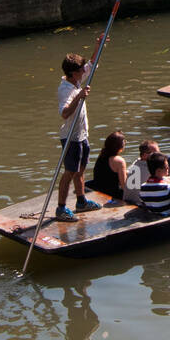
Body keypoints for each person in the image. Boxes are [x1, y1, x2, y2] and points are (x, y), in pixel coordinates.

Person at [56, 52, 102, 221]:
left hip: (82, 134)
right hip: (70, 137)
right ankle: (61, 208)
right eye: (81, 70)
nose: (84, 71)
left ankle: (81, 202)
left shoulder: (76, 81)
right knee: (70, 171)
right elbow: (65, 113)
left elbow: (91, 64)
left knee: (80, 170)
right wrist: (79, 96)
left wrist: (99, 45)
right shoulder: (65, 90)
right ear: (74, 73)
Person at [90, 130, 128, 197]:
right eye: (124, 141)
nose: (125, 142)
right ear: (120, 146)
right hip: (112, 194)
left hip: (98, 190)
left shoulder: (101, 156)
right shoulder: (119, 161)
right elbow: (124, 186)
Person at [124, 140, 160, 205]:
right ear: (144, 155)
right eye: (156, 153)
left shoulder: (136, 162)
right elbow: (166, 184)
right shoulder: (150, 168)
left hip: (128, 200)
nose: (159, 155)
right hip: (140, 205)